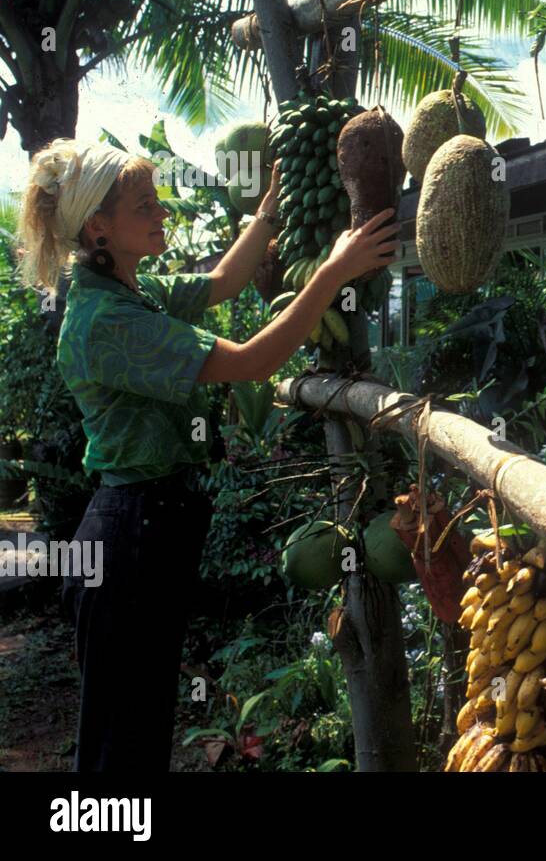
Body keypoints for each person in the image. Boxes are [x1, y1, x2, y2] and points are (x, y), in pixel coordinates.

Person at [15, 138, 398, 772]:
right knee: (121, 741)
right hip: (129, 537)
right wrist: (332, 271)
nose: (162, 213)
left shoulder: (131, 288)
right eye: (146, 205)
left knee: (134, 727)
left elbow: (222, 281)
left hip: (142, 528)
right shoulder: (108, 319)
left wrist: (270, 208)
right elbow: (252, 361)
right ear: (99, 226)